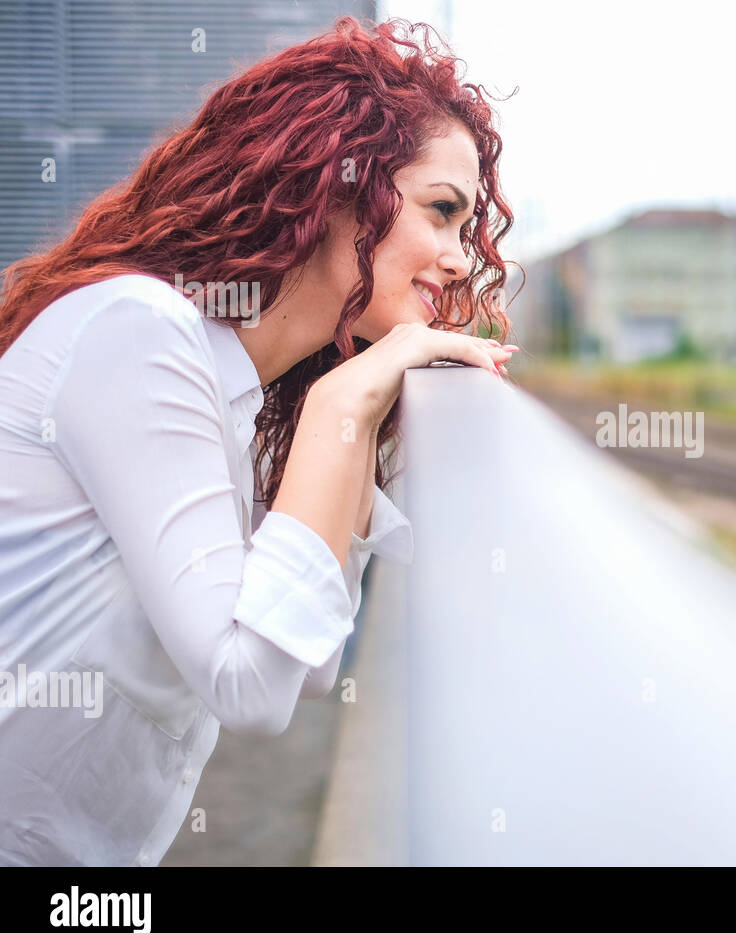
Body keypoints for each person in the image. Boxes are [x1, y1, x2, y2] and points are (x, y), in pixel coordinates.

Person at [0, 17, 518, 865]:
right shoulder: (139, 335)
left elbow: (309, 657)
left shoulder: (244, 392)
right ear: (336, 186)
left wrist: (347, 415)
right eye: (441, 212)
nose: (462, 260)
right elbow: (250, 685)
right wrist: (347, 398)